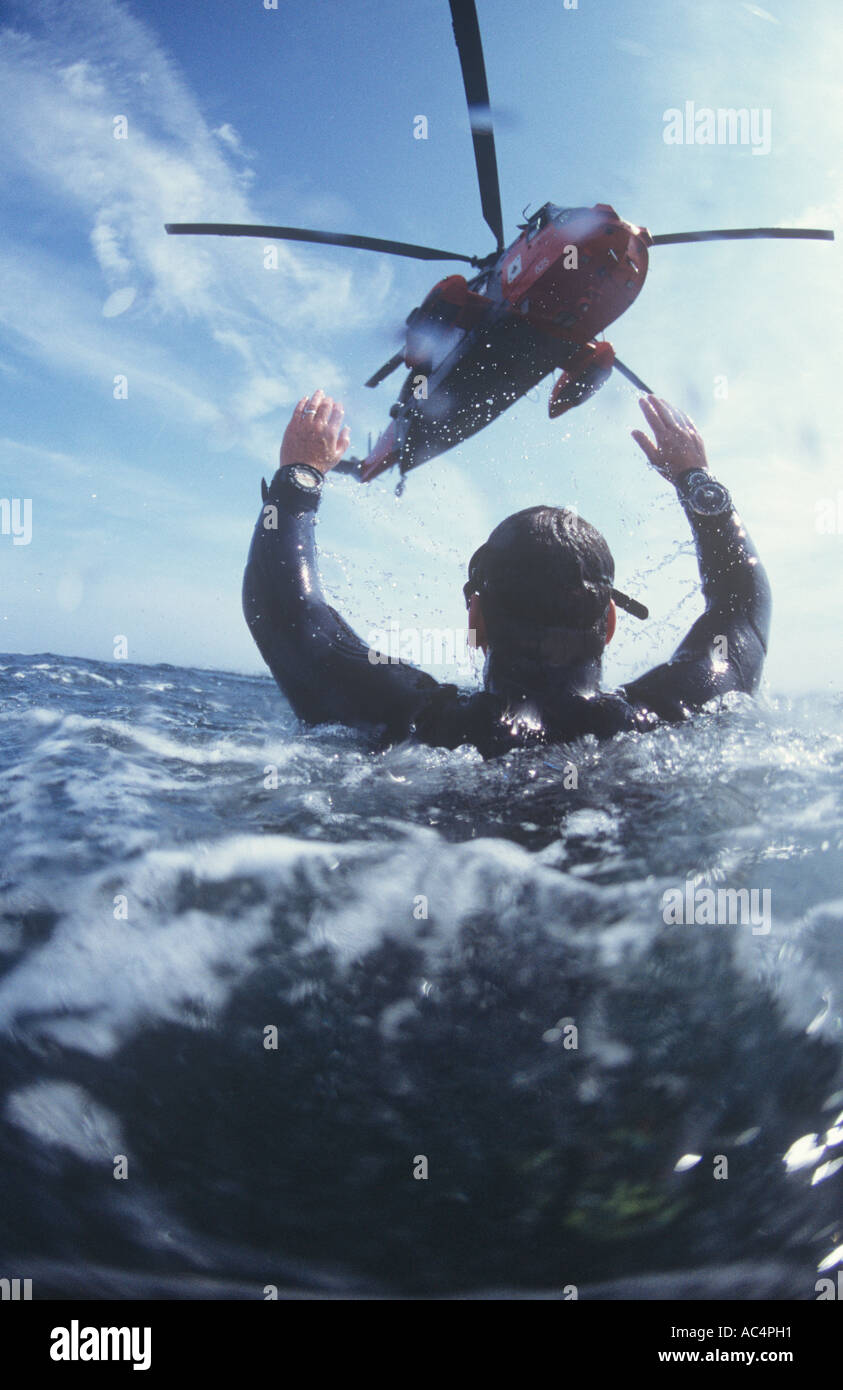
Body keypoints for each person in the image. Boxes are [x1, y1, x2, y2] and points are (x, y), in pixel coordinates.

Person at [242, 389, 770, 758]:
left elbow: (286, 608)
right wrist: (697, 483)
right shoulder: (665, 720)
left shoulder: (419, 724)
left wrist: (300, 474)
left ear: (477, 618)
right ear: (608, 622)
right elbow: (742, 607)